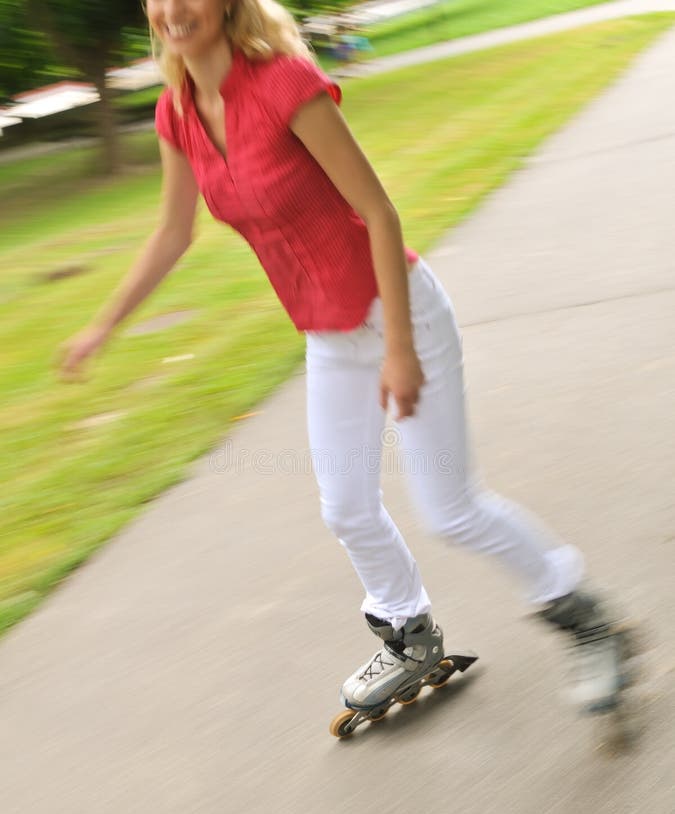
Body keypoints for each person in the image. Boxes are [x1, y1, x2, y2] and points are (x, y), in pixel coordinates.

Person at [60, 0, 636, 728]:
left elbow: (379, 212)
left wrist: (399, 347)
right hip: (329, 335)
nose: (175, 9)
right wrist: (101, 327)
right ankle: (409, 635)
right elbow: (173, 231)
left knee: (451, 510)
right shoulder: (177, 112)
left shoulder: (283, 83)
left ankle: (589, 621)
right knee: (346, 508)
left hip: (400, 313)